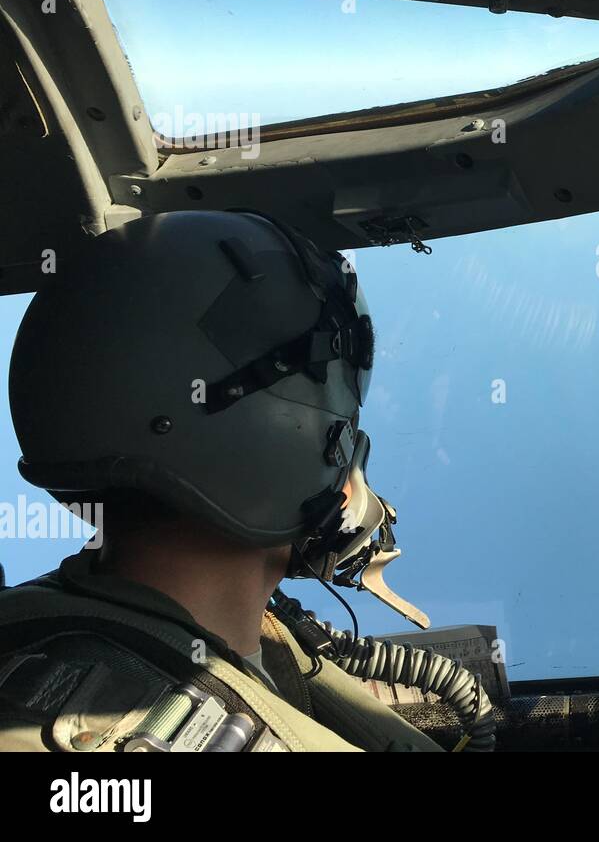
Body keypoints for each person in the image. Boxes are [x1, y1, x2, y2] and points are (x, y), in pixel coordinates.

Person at [0, 209, 457, 752]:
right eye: (345, 435)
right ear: (280, 444)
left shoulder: (47, 630)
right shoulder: (117, 719)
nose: (354, 479)